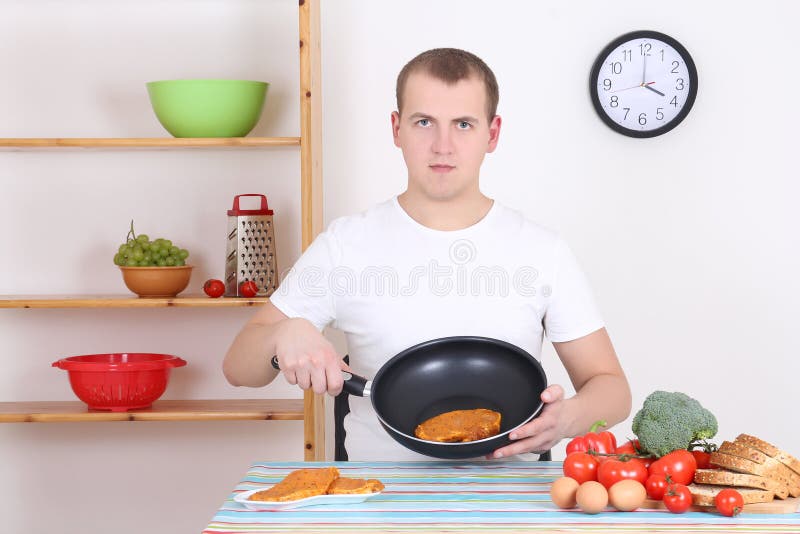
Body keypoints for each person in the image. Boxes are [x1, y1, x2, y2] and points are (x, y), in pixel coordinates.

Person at [223, 48, 631, 461]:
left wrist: (569, 418)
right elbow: (238, 370)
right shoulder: (346, 244)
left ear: (492, 134)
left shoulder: (543, 251)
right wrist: (281, 332)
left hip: (511, 499)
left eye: (464, 124)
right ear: (397, 128)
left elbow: (612, 388)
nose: (442, 145)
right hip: (377, 499)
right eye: (424, 123)